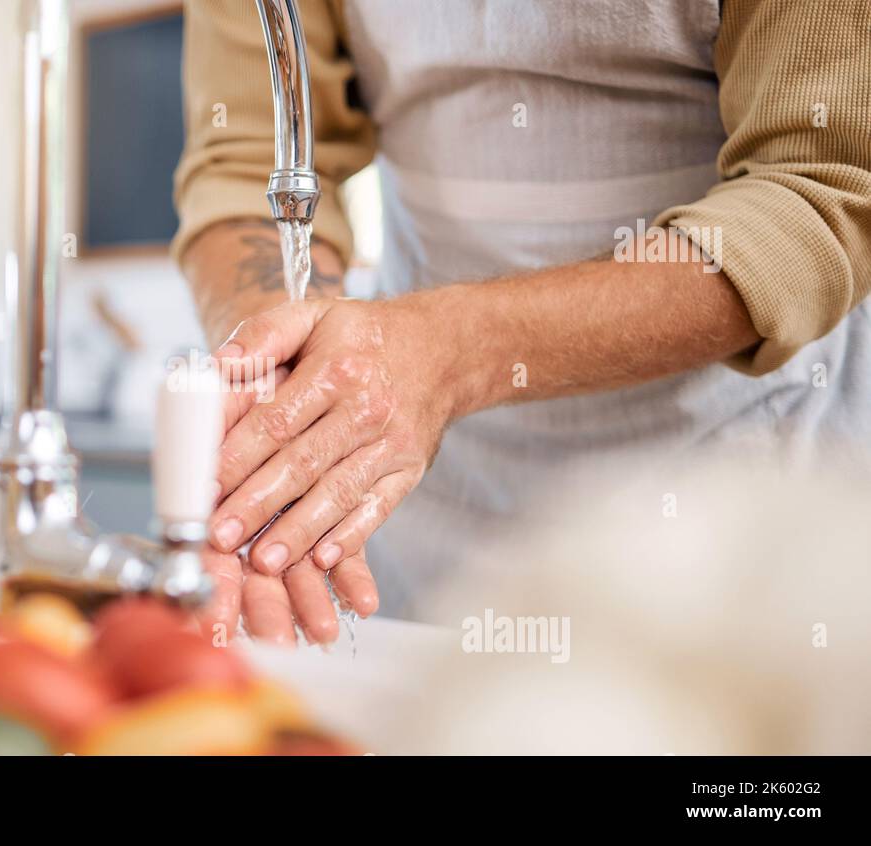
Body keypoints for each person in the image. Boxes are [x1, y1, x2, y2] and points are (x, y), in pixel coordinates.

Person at [170, 0, 871, 644]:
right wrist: (292, 405)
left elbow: (818, 191)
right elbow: (246, 164)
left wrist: (450, 352)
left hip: (735, 510)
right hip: (421, 538)